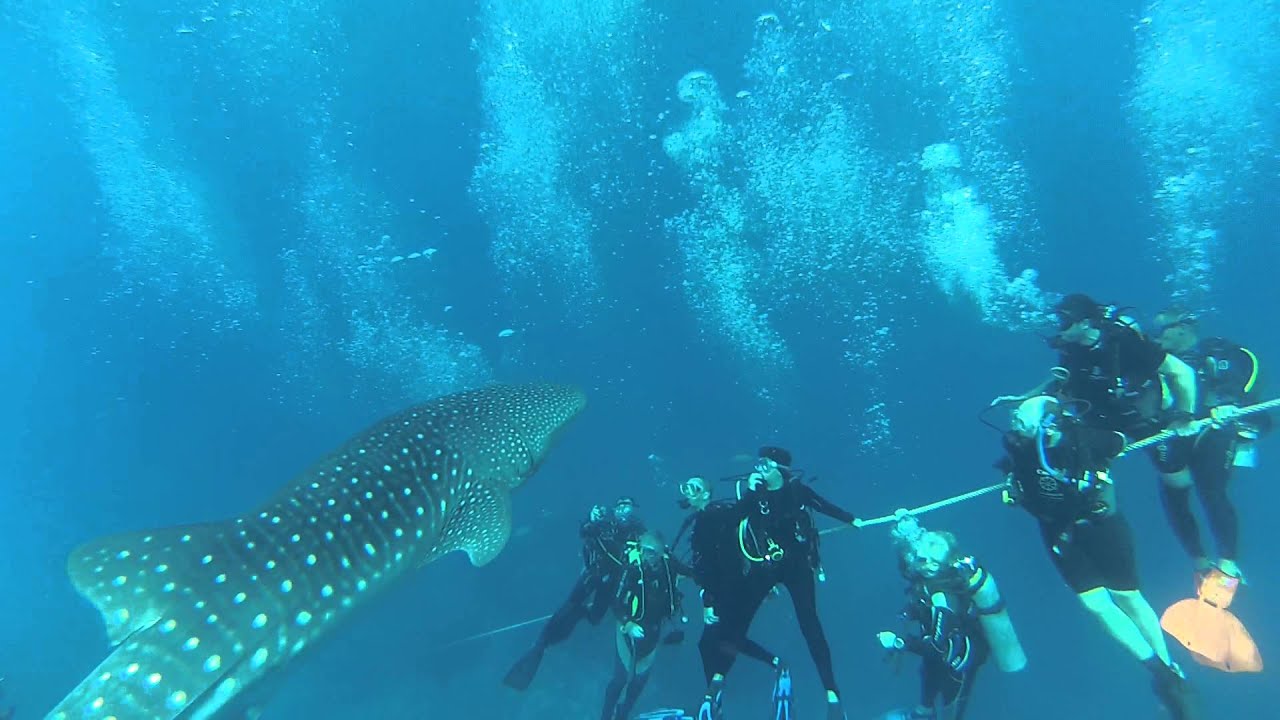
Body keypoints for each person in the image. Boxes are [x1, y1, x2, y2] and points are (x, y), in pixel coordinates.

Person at [998, 396, 1198, 719]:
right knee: (1095, 604)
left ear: (1046, 421)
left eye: (1021, 416)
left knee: (1127, 597)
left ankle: (1168, 666)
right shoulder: (1017, 447)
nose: (1013, 421)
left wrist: (1075, 443)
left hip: (1100, 526)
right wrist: (1013, 488)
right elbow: (1019, 473)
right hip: (1059, 533)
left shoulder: (1079, 436)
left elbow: (1117, 440)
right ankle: (1160, 671)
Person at [696, 446, 858, 720]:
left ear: (781, 469)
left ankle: (832, 694)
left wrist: (853, 519)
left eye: (766, 464)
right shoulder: (756, 495)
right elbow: (733, 519)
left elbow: (824, 506)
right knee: (738, 621)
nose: (759, 468)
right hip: (767, 567)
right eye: (759, 463)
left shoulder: (797, 490)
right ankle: (718, 681)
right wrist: (749, 493)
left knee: (810, 624)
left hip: (798, 568)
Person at [1151, 308, 1270, 581]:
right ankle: (1200, 562)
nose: (1156, 336)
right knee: (1173, 496)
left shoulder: (1220, 355)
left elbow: (1241, 388)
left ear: (1182, 328)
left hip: (1213, 429)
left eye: (1161, 329)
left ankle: (1228, 563)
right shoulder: (1157, 363)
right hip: (1174, 434)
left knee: (1211, 490)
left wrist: (1228, 405)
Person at [874, 516, 1025, 720]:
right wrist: (907, 531)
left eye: (926, 548)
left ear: (933, 564)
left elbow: (936, 648)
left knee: (951, 702)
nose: (919, 549)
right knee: (927, 674)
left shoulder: (943, 599)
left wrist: (898, 642)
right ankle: (923, 714)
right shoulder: (928, 575)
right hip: (941, 655)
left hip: (957, 661)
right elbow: (908, 567)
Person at [503, 497, 645, 690]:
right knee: (570, 604)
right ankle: (544, 640)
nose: (623, 511)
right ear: (615, 509)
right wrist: (591, 519)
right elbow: (585, 531)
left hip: (612, 583)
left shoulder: (637, 531)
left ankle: (576, 616)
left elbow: (643, 555)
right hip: (593, 574)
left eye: (627, 507)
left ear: (633, 510)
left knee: (595, 618)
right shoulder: (605, 524)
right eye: (620, 506)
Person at [1046, 293, 1199, 441]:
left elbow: (1181, 371)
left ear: (1085, 323)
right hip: (1100, 421)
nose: (1060, 328)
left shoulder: (1123, 341)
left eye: (1064, 321)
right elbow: (1064, 385)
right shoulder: (1070, 350)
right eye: (1059, 321)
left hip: (1139, 416)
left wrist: (1185, 416)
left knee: (1172, 465)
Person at [600, 531, 688, 720]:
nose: (648, 557)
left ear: (661, 553)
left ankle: (622, 714)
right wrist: (628, 623)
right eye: (645, 551)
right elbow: (615, 602)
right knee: (620, 679)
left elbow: (690, 572)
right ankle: (606, 716)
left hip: (653, 631)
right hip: (628, 629)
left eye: (652, 553)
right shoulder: (631, 569)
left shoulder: (668, 565)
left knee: (639, 681)